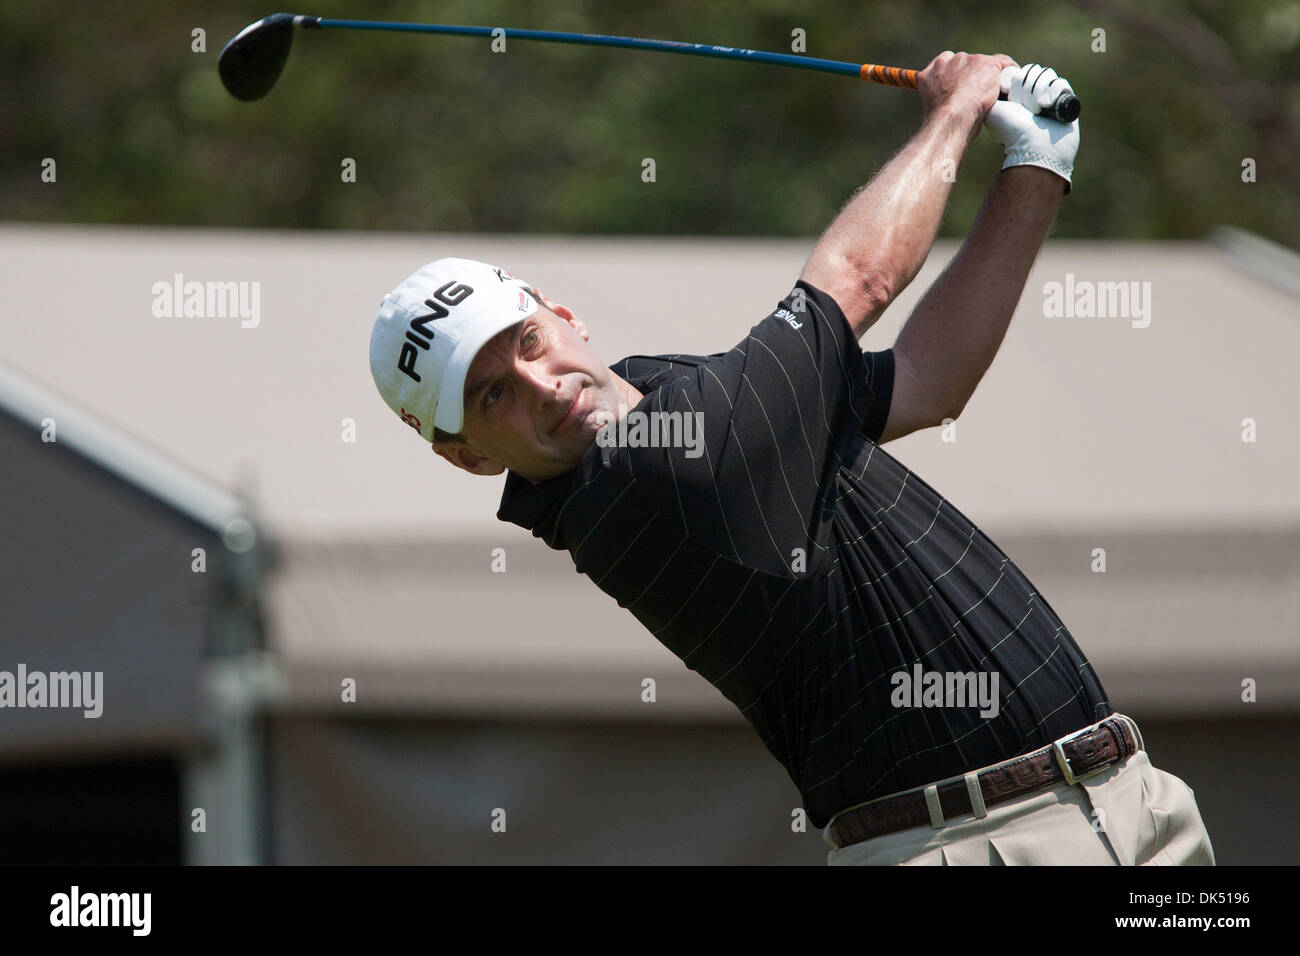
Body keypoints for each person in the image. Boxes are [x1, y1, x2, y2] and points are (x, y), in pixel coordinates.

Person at [368, 54, 1215, 865]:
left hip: (1130, 803)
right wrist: (954, 110)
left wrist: (1036, 165)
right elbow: (859, 278)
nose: (540, 386)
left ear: (561, 314)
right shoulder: (647, 481)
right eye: (491, 397)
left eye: (526, 342)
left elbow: (925, 382)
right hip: (967, 843)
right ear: (468, 459)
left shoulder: (676, 397)